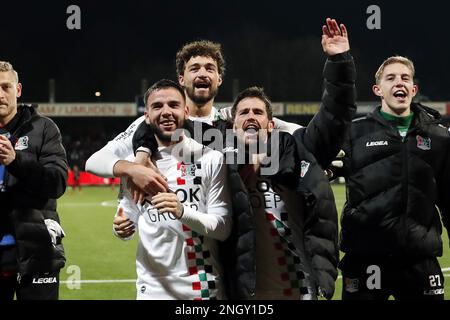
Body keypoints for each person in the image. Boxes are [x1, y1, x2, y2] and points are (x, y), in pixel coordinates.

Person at [221, 18, 356, 300]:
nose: (250, 117)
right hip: (247, 293)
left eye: (258, 112)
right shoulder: (221, 164)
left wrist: (339, 62)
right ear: (233, 127)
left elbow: (335, 116)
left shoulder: (301, 148)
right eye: (243, 113)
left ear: (271, 125)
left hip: (301, 289)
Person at [85, 40, 300, 197]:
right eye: (194, 68)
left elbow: (293, 131)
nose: (202, 74)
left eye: (210, 69)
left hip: (218, 238)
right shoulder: (153, 124)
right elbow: (94, 161)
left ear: (219, 79)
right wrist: (133, 168)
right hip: (171, 242)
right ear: (182, 79)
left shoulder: (229, 121)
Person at [337, 55, 450, 300]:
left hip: (419, 260)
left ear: (413, 89)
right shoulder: (353, 133)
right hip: (365, 259)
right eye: (391, 78)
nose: (399, 82)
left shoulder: (440, 139)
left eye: (405, 78)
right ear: (378, 89)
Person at [112, 79, 232, 300]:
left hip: (201, 288)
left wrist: (181, 211)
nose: (166, 112)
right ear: (146, 116)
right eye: (157, 106)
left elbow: (222, 227)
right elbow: (127, 216)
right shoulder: (133, 166)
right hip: (152, 290)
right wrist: (121, 227)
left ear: (185, 111)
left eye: (173, 105)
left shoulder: (210, 158)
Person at [0, 61, 68, 300]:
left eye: (5, 87)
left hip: (37, 248)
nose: (0, 94)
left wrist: (15, 160)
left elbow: (57, 182)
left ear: (18, 90)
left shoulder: (43, 129)